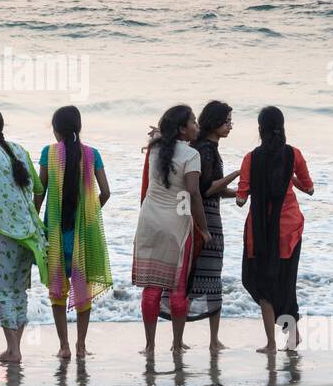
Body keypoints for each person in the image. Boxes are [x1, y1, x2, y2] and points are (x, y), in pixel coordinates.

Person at [132, 104, 210, 356]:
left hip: (149, 220)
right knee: (177, 288)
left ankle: (149, 346)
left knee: (152, 287)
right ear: (182, 129)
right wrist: (204, 228)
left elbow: (158, 136)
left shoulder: (155, 148)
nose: (197, 126)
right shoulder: (191, 155)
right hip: (177, 223)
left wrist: (158, 132)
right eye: (193, 122)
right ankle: (176, 344)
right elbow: (193, 194)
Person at [35, 106, 112, 359]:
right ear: (78, 127)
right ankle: (81, 346)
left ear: (57, 130)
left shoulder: (48, 153)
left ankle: (64, 346)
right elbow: (106, 192)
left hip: (55, 233)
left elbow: (39, 193)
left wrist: (34, 223)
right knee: (83, 289)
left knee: (57, 290)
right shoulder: (92, 154)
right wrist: (89, 214)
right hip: (84, 234)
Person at [0, 106, 46, 364]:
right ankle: (14, 348)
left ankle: (13, 350)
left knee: (1, 291)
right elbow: (38, 188)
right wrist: (28, 216)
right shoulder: (19, 150)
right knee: (19, 291)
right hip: (30, 234)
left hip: (5, 234)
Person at [237, 106, 314, 353]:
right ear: (282, 127)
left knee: (260, 283)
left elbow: (241, 199)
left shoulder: (251, 158)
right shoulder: (294, 154)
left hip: (260, 231)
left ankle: (271, 343)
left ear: (260, 129)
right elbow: (309, 188)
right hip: (290, 228)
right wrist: (290, 178)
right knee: (286, 282)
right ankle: (293, 335)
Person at [163, 101, 239, 351]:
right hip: (205, 217)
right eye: (227, 121)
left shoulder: (204, 148)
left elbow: (212, 188)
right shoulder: (205, 150)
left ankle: (182, 339)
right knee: (209, 275)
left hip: (194, 214)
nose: (230, 126)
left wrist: (239, 193)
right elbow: (206, 189)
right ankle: (212, 340)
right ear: (215, 122)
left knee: (191, 276)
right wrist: (237, 174)